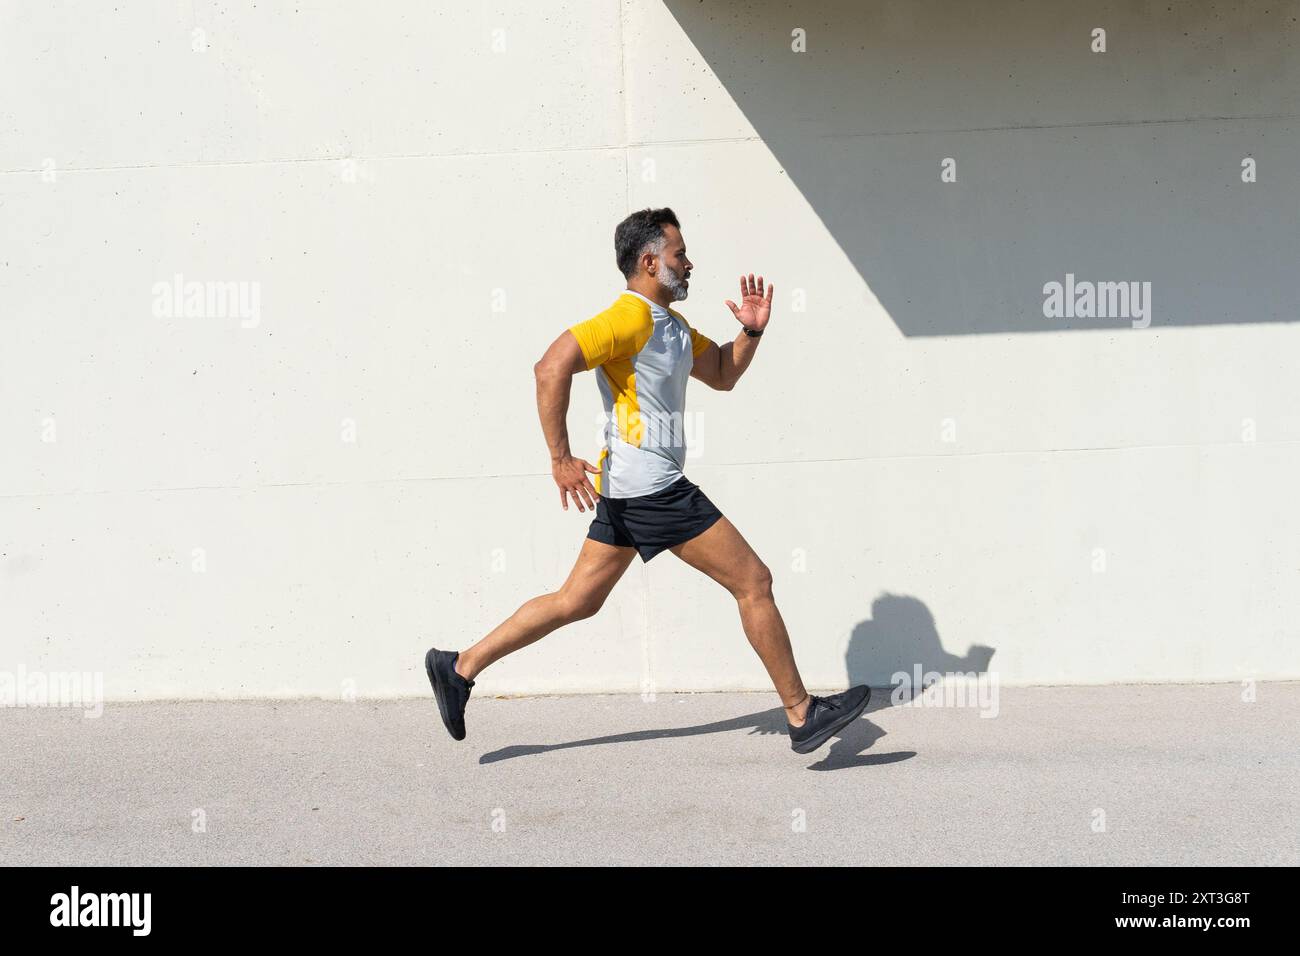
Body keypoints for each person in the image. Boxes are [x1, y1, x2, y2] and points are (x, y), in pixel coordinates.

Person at [425, 207, 869, 754]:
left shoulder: (672, 327)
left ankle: (459, 666)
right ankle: (802, 714)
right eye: (680, 255)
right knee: (754, 581)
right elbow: (550, 366)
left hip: (629, 488)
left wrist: (750, 331)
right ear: (649, 261)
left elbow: (724, 374)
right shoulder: (629, 318)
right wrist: (560, 458)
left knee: (575, 601)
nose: (690, 264)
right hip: (653, 486)